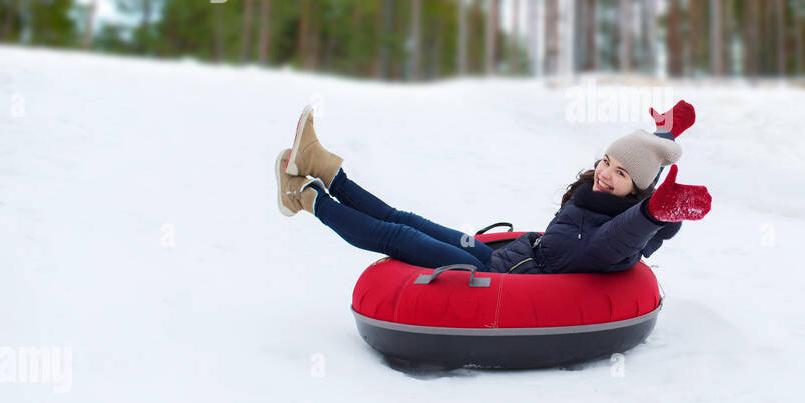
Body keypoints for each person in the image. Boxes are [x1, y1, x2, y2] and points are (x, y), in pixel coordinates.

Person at [273, 100, 709, 275]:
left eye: (619, 173)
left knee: (398, 237)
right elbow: (645, 167)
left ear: (637, 192)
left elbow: (625, 233)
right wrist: (665, 135)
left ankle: (307, 199)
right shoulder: (598, 196)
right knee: (408, 220)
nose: (605, 172)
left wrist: (657, 213)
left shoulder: (617, 239)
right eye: (607, 161)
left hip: (497, 278)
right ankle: (326, 171)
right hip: (508, 256)